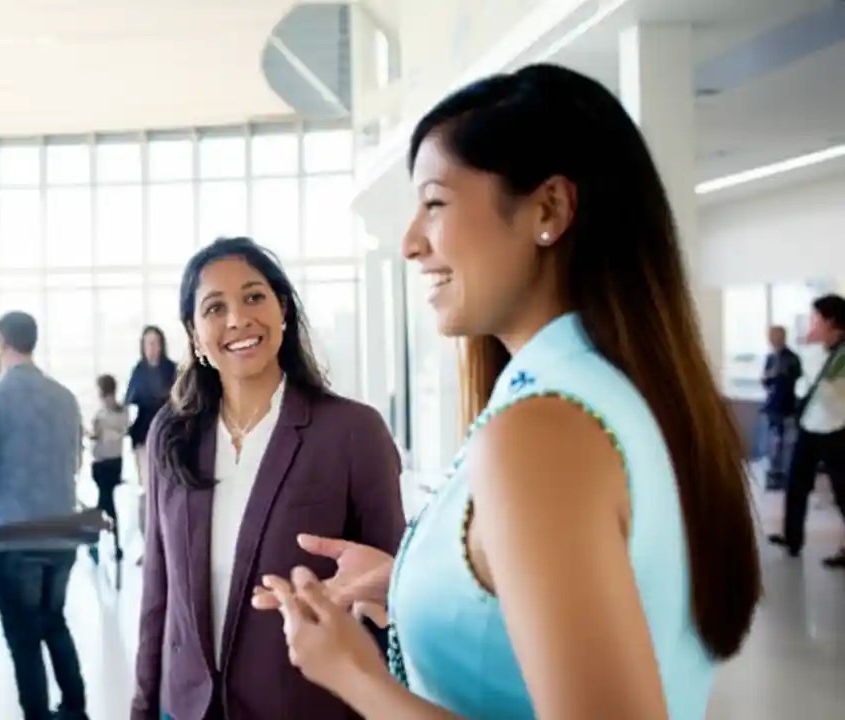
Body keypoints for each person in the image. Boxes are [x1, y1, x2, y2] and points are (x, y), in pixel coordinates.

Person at [254, 64, 762, 720]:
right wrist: (412, 582)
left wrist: (354, 674)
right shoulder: (609, 394)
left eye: (434, 203)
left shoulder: (541, 430)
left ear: (547, 209)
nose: (410, 242)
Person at [131, 237, 405, 720]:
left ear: (283, 311)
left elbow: (390, 592)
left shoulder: (352, 432)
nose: (237, 319)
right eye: (215, 308)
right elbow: (159, 591)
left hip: (305, 708)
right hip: (187, 707)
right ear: (195, 336)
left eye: (254, 297)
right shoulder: (171, 435)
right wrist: (142, 708)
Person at [0, 311, 88, 720]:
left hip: (15, 538)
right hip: (63, 531)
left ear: (1, 342)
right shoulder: (66, 397)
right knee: (54, 623)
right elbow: (76, 461)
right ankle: (75, 709)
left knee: (23, 639)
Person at [770, 295, 845, 568]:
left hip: (836, 429)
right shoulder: (820, 351)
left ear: (831, 321)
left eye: (816, 318)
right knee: (796, 484)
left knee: (842, 491)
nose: (812, 324)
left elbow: (830, 390)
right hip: (810, 425)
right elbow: (804, 386)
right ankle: (792, 539)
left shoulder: (841, 354)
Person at [125, 326, 176, 487]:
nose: (152, 348)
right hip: (143, 433)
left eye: (155, 343)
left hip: (168, 433)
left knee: (167, 483)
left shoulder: (172, 369)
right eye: (148, 344)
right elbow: (129, 401)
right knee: (147, 484)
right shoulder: (139, 371)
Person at [88, 374, 129, 564]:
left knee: (105, 504)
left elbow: (97, 437)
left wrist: (93, 433)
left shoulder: (102, 415)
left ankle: (96, 540)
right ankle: (112, 543)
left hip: (103, 464)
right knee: (106, 502)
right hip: (114, 464)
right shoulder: (123, 413)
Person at [761, 325, 802, 488]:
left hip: (789, 407)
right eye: (771, 336)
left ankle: (788, 475)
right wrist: (769, 377)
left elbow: (797, 380)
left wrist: (781, 374)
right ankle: (775, 474)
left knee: (789, 443)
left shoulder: (792, 358)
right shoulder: (770, 358)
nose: (773, 339)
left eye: (775, 336)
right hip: (773, 406)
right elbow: (765, 381)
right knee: (774, 442)